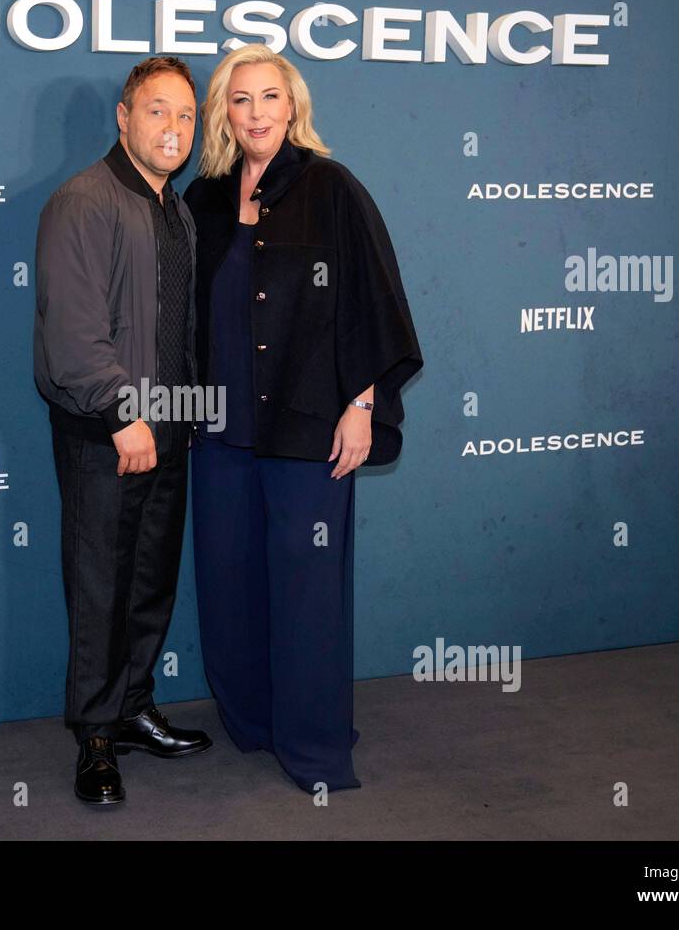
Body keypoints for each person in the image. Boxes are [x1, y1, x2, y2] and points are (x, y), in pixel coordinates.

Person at [182, 44, 424, 794]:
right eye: (240, 99)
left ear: (295, 108)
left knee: (307, 591)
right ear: (224, 111)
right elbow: (179, 315)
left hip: (308, 427)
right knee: (228, 583)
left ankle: (316, 747)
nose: (256, 113)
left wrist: (362, 405)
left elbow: (375, 302)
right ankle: (253, 725)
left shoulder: (331, 188)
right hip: (219, 432)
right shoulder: (205, 199)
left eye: (269, 98)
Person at [33, 57, 213, 806]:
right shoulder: (84, 200)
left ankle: (134, 707)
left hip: (168, 430)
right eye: (157, 112)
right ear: (124, 116)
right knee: (101, 584)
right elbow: (74, 331)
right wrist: (120, 413)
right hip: (107, 431)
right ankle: (96, 737)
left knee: (148, 581)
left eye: (185, 116)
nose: (173, 129)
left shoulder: (177, 209)